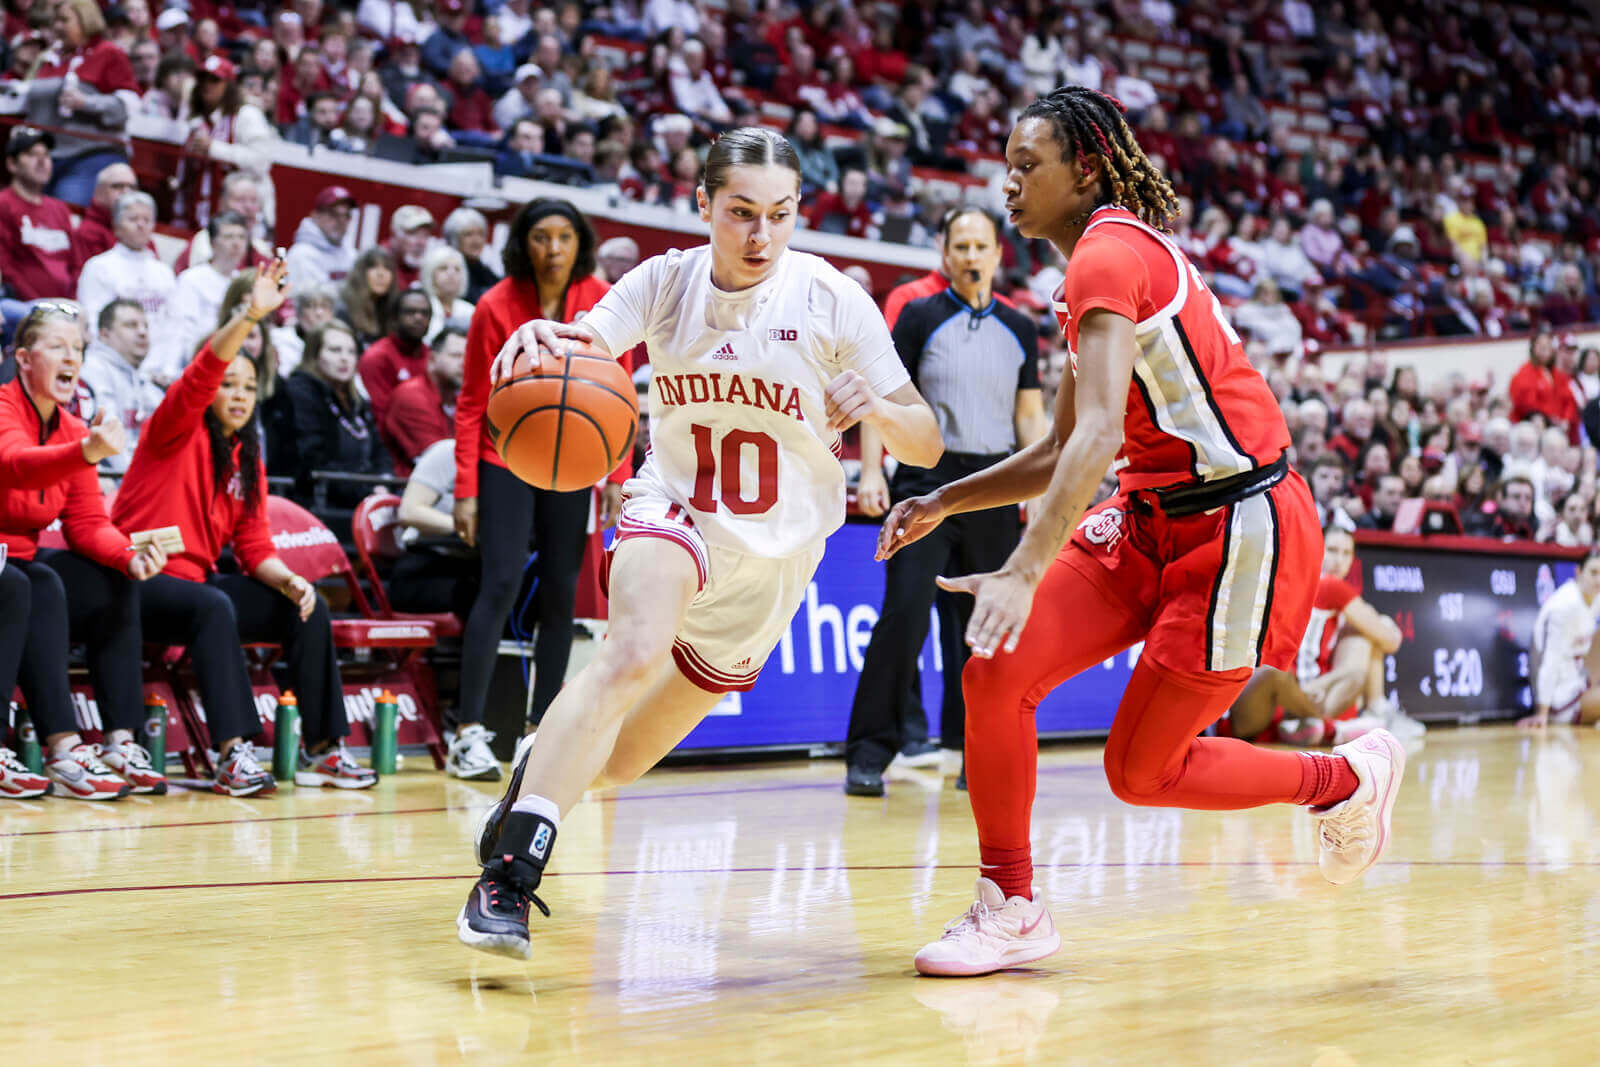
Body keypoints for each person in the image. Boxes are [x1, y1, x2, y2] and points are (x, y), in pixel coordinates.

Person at [874, 88, 1404, 978]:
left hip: (1239, 523)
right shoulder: (1083, 269)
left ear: (1085, 169)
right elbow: (1060, 448)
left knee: (1141, 771)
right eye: (1005, 166)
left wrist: (1022, 564)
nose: (1007, 185)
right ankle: (1011, 906)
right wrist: (945, 500)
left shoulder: (1109, 254)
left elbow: (1096, 440)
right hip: (1150, 512)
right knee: (996, 669)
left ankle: (1343, 778)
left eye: (1025, 166)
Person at [456, 128, 943, 959]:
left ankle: (537, 771)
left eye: (780, 216)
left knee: (619, 761)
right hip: (673, 506)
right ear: (704, 205)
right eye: (741, 213)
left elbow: (927, 442)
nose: (761, 236)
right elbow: (577, 350)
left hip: (775, 559)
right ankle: (508, 873)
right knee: (631, 651)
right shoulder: (665, 281)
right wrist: (525, 342)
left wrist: (882, 410)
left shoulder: (830, 298)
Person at [113, 261, 377, 795]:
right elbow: (204, 370)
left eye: (248, 387)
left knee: (305, 605)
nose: (237, 394)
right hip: (137, 577)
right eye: (228, 384)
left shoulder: (246, 457)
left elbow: (253, 544)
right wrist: (252, 313)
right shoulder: (174, 426)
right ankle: (233, 753)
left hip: (198, 587)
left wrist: (290, 581)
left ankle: (324, 748)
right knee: (215, 605)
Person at [844, 206, 1046, 796]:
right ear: (945, 254)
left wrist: (1039, 486)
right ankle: (868, 751)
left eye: (981, 246)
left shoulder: (1021, 328)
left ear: (997, 255)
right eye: (960, 246)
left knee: (979, 629)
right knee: (904, 615)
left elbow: (1029, 414)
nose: (971, 257)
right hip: (924, 484)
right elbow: (884, 400)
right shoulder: (917, 316)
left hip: (997, 484)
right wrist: (873, 469)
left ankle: (974, 755)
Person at [446, 198, 618, 781]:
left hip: (572, 458)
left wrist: (614, 474)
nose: (553, 249)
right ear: (524, 243)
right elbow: (471, 402)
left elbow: (616, 390)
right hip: (506, 454)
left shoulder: (599, 295)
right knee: (498, 582)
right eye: (541, 237)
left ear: (579, 243)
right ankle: (467, 732)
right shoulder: (494, 304)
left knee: (561, 594)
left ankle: (540, 733)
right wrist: (466, 489)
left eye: (564, 237)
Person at [0, 300, 170, 799]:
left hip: (20, 563)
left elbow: (88, 523)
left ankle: (100, 744)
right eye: (57, 347)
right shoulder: (4, 408)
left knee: (106, 580)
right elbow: (15, 464)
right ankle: (40, 744)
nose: (71, 358)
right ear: (25, 359)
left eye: (77, 348)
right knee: (25, 582)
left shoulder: (76, 429)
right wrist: (85, 453)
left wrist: (128, 556)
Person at [1223, 525, 1406, 746]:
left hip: (1300, 693)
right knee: (1273, 671)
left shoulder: (1320, 586)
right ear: (1317, 550)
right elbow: (1391, 639)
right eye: (1332, 550)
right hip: (1272, 694)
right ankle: (1353, 719)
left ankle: (1365, 711)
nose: (1339, 560)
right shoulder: (1329, 585)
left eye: (1346, 553)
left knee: (1360, 642)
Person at [27, 0, 137, 205]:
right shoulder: (49, 58)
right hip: (50, 156)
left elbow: (128, 107)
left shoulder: (108, 53)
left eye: (65, 20)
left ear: (86, 20)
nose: (57, 26)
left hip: (92, 155)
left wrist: (87, 102)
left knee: (65, 208)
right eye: (55, 21)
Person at [285, 320, 392, 512]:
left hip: (362, 499)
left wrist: (383, 482)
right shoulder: (300, 392)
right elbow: (312, 460)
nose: (345, 358)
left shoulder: (356, 398)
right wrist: (367, 490)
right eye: (335, 350)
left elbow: (380, 449)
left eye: (351, 352)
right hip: (319, 504)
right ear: (315, 355)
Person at [75, 190, 176, 348]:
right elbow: (95, 324)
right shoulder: (98, 267)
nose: (141, 225)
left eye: (147, 220)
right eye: (133, 219)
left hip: (159, 364)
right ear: (116, 227)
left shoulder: (164, 272)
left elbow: (173, 325)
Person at [159, 211, 251, 381]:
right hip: (198, 360)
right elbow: (180, 328)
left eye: (241, 237)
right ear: (212, 242)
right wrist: (169, 369)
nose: (236, 243)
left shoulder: (243, 281)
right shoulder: (192, 279)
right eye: (229, 237)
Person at [392, 437, 477, 619]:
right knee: (486, 597)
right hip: (425, 569)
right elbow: (409, 511)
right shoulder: (448, 452)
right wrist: (464, 527)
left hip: (474, 566)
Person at [78, 299, 164, 477]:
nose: (142, 332)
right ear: (104, 334)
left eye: (145, 326)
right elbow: (111, 440)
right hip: (110, 480)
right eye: (131, 325)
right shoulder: (93, 371)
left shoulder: (146, 383)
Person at [0, 127, 80, 303]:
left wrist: (72, 304)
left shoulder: (60, 209)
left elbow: (75, 265)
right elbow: (5, 268)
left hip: (64, 309)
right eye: (31, 154)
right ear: (12, 164)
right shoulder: (3, 204)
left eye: (46, 155)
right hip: (22, 306)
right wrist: (40, 306)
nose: (42, 161)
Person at [1521, 551, 1600, 728]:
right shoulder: (1564, 606)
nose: (1598, 580)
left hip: (1579, 681)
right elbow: (1550, 662)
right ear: (1578, 572)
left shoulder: (1593, 599)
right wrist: (1542, 713)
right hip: (1559, 698)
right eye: (1593, 573)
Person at [383, 325, 462, 475]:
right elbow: (440, 461)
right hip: (410, 490)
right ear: (432, 359)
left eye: (469, 356)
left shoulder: (459, 398)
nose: (464, 363)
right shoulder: (411, 396)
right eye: (456, 356)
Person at [358, 287, 433, 428]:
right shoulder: (377, 357)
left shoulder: (432, 356)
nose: (418, 318)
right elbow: (380, 414)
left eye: (425, 313)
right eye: (410, 312)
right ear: (394, 318)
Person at [286, 186, 357, 291]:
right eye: (334, 214)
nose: (341, 220)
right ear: (315, 215)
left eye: (347, 215)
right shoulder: (301, 255)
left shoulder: (351, 254)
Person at [72, 161, 137, 262]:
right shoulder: (88, 233)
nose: (126, 192)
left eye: (132, 187)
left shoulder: (141, 229)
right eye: (118, 186)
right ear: (98, 191)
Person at [339, 246, 398, 349]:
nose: (381, 274)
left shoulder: (394, 310)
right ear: (360, 273)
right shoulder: (344, 310)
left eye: (387, 268)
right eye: (373, 267)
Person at [443, 207, 500, 302]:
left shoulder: (487, 274)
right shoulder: (446, 272)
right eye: (468, 234)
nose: (476, 241)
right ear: (454, 239)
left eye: (481, 234)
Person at [420, 244, 474, 343]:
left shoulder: (470, 311)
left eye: (457, 269)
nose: (451, 274)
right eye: (443, 268)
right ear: (430, 274)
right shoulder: (420, 309)